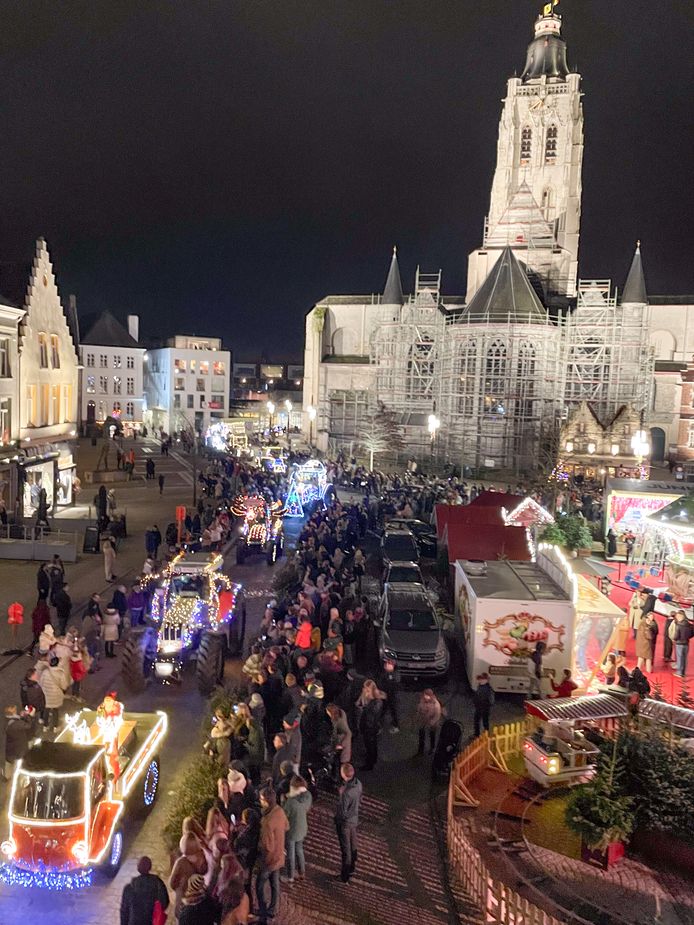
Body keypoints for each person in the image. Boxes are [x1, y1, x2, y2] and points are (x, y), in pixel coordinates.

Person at [256, 785, 289, 923]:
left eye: (261, 799)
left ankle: (263, 910)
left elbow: (266, 846)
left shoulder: (267, 821)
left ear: (266, 801)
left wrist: (258, 850)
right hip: (279, 855)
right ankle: (274, 908)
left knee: (259, 885)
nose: (260, 801)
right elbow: (287, 826)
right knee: (275, 883)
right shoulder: (279, 811)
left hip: (269, 860)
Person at [119, 855, 170, 925]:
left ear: (138, 868)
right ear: (150, 867)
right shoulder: (158, 884)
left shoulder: (129, 888)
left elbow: (124, 913)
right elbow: (165, 903)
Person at [169, 832, 210, 919]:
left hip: (183, 899)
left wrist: (178, 889)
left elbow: (171, 883)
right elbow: (205, 871)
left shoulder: (180, 862)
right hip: (197, 897)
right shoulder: (201, 856)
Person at [334, 762, 362, 883]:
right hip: (354, 819)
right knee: (353, 843)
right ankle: (352, 869)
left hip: (345, 822)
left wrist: (337, 820)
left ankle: (345, 875)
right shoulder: (358, 784)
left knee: (346, 849)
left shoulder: (346, 792)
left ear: (344, 774)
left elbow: (343, 811)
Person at [282, 774, 312, 883]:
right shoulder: (308, 795)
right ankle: (301, 872)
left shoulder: (290, 802)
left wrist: (283, 801)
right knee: (299, 849)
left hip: (292, 830)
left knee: (291, 853)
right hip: (302, 828)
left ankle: (290, 876)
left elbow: (284, 815)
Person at [356, 679, 386, 771]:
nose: (365, 691)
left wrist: (364, 711)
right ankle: (372, 758)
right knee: (371, 744)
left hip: (370, 727)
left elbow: (372, 716)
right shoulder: (373, 700)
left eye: (367, 689)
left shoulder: (377, 702)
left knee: (370, 745)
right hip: (370, 726)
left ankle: (370, 764)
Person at [36, 655, 67, 731]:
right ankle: (55, 727)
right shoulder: (60, 673)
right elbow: (64, 686)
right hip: (56, 695)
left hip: (46, 694)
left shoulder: (45, 672)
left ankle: (45, 726)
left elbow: (41, 682)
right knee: (55, 710)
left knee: (46, 709)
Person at [3, 705, 32, 780]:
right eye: (12, 708)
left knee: (9, 760)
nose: (15, 708)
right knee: (20, 760)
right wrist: (28, 716)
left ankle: (6, 776)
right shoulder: (16, 724)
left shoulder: (7, 721)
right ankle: (21, 777)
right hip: (19, 745)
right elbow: (28, 726)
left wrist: (22, 716)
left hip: (10, 745)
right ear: (11, 713)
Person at [415, 688, 442, 756]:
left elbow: (437, 715)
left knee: (432, 734)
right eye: (425, 695)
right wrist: (418, 716)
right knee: (421, 735)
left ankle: (432, 748)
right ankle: (420, 750)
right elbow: (419, 708)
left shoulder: (436, 704)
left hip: (432, 721)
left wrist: (432, 722)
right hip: (423, 719)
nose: (426, 697)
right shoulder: (422, 701)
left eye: (427, 696)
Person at [376, 658, 401, 733]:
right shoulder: (383, 674)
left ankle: (395, 725)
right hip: (383, 695)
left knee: (393, 711)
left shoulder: (395, 675)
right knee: (381, 711)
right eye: (387, 664)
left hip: (392, 696)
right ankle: (379, 726)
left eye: (389, 665)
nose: (387, 666)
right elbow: (380, 683)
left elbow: (395, 685)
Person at [673, 610, 692, 677]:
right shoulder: (689, 624)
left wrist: (674, 639)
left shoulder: (679, 625)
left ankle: (679, 672)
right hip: (686, 643)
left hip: (679, 643)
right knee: (684, 658)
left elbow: (676, 636)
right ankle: (683, 672)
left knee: (679, 658)